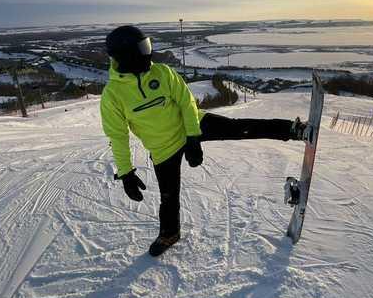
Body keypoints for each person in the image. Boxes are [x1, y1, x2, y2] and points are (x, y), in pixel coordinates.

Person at [100, 25, 306, 256]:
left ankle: (292, 130)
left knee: (238, 128)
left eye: (147, 45)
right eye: (142, 48)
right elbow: (117, 136)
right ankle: (169, 234)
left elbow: (187, 104)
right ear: (126, 55)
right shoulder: (113, 95)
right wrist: (126, 173)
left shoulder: (163, 73)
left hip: (194, 125)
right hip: (162, 149)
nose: (148, 53)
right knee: (169, 197)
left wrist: (193, 138)